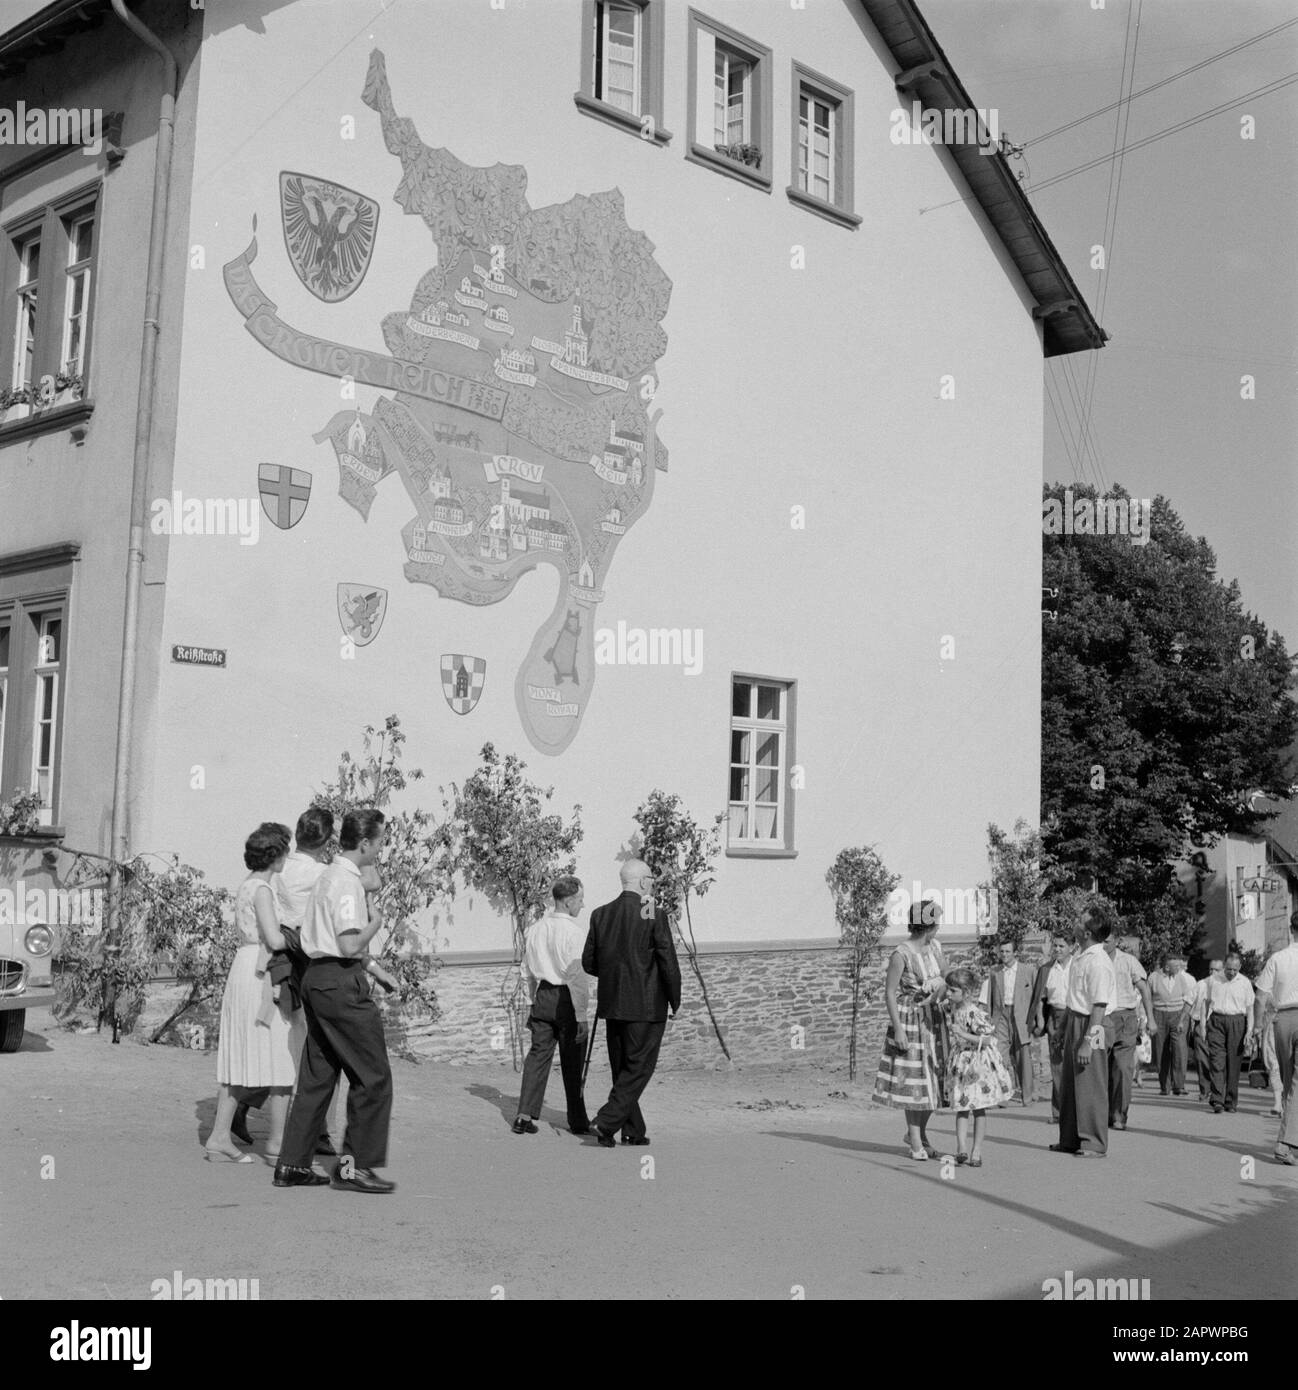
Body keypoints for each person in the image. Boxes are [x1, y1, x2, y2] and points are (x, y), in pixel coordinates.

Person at [273, 809, 397, 1193]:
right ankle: (355, 1167)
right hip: (340, 981)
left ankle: (292, 1163)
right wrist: (375, 923)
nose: (380, 849)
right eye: (379, 843)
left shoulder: (328, 874)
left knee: (318, 1074)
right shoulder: (345, 882)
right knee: (372, 1074)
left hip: (317, 978)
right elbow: (347, 942)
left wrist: (373, 968)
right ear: (365, 844)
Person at [205, 824, 299, 1163]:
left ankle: (219, 1136)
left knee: (240, 1054)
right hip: (261, 972)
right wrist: (297, 936)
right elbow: (274, 940)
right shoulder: (262, 890)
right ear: (274, 855)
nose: (288, 855)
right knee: (279, 1056)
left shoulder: (247, 885)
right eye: (285, 849)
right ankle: (275, 1143)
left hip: (244, 967)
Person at [581, 859, 681, 1148]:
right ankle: (606, 1120)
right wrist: (676, 1000)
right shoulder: (651, 912)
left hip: (613, 1002)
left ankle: (632, 1130)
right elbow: (667, 962)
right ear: (641, 882)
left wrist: (615, 974)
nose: (652, 884)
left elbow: (589, 962)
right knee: (638, 1068)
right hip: (646, 1005)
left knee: (623, 1066)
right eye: (650, 879)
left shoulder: (601, 914)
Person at [513, 875, 593, 1136]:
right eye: (580, 900)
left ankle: (523, 1116)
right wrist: (581, 1015)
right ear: (569, 902)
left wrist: (530, 1002)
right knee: (573, 1060)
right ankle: (578, 1120)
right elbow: (577, 978)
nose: (582, 905)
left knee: (537, 1056)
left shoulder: (535, 929)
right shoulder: (575, 933)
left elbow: (526, 971)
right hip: (566, 999)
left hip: (543, 996)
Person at [872, 899, 949, 1160]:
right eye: (936, 923)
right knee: (914, 1081)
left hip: (933, 1019)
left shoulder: (936, 948)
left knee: (934, 1082)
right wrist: (898, 1030)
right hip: (910, 1019)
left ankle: (920, 1133)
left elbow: (946, 978)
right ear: (928, 926)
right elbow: (890, 994)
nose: (938, 927)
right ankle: (915, 1140)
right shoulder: (901, 954)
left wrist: (941, 993)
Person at [1050, 902, 1117, 1159]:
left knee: (1091, 1083)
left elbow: (1099, 1005)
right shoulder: (1081, 956)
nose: (1076, 922)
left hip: (1095, 1024)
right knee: (1070, 1084)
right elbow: (1074, 998)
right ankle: (1069, 1139)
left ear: (1087, 932)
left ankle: (1094, 1143)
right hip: (1076, 1021)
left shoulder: (1098, 962)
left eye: (1080, 920)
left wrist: (1089, 1042)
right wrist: (1062, 1030)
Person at [945, 967, 1014, 1166]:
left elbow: (987, 1038)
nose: (949, 994)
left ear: (965, 992)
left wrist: (963, 1034)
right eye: (949, 990)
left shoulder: (975, 1013)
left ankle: (976, 1150)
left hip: (976, 1063)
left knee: (979, 1108)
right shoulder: (954, 1009)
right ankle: (961, 1148)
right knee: (961, 1106)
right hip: (960, 1061)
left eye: (953, 991)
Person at [1253, 912, 1298, 1164]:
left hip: (1282, 1021)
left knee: (1290, 1081)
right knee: (1296, 1083)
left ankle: (1291, 1142)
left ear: (1291, 929)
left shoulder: (1277, 958)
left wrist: (1258, 1025)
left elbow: (1260, 996)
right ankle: (1284, 1143)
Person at [1102, 934, 1152, 1130]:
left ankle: (1119, 1115)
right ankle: (1103, 1112)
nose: (1104, 945)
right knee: (1102, 1068)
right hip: (1101, 1018)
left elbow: (1144, 989)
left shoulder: (1129, 961)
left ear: (1116, 942)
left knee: (1122, 1068)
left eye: (1107, 941)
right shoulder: (1093, 959)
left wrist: (1150, 1018)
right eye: (1101, 941)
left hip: (1125, 1017)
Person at [1203, 951, 1255, 1114]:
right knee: (1217, 1060)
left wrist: (1249, 1031)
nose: (1231, 972)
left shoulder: (1245, 983)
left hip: (1237, 1022)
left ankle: (1230, 1101)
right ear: (1224, 966)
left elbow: (1250, 1008)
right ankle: (1217, 1099)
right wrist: (1203, 1025)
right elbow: (1206, 1002)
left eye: (1235, 969)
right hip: (1217, 1020)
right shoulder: (1214, 980)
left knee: (1234, 1062)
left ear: (1239, 967)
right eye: (1228, 969)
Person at [1030, 932, 1073, 1123]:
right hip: (1056, 1016)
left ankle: (1077, 1111)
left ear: (1071, 947)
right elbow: (1040, 999)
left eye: (1061, 946)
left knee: (1075, 1064)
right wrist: (1040, 1022)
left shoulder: (1078, 967)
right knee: (1057, 1065)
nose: (1057, 949)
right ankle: (1058, 1112)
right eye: (1055, 946)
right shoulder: (1047, 969)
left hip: (1075, 1016)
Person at [988, 939, 1036, 1104]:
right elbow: (990, 998)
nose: (1005, 955)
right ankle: (1002, 1095)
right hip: (1001, 1015)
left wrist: (1036, 1019)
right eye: (1002, 951)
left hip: (1020, 1015)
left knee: (1022, 1055)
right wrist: (989, 1019)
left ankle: (1027, 1096)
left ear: (1015, 952)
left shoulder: (1028, 970)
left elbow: (1037, 998)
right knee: (999, 1054)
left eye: (1008, 951)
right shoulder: (995, 972)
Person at [1148, 952, 1196, 1096]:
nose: (1179, 968)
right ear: (1167, 967)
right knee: (1161, 1050)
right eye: (1176, 966)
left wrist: (1183, 1019)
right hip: (1159, 1014)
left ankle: (1179, 1085)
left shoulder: (1181, 978)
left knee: (1180, 1049)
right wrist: (1148, 1019)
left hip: (1178, 1015)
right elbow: (1147, 999)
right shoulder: (1153, 978)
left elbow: (1188, 998)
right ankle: (1165, 1085)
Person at [1190, 959, 1225, 1100]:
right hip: (1200, 1023)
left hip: (1218, 1024)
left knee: (1217, 1059)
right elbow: (1189, 1001)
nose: (1213, 972)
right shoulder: (1201, 984)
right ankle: (1205, 1090)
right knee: (1201, 1058)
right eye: (1211, 969)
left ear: (1222, 970)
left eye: (1216, 970)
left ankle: (1218, 1090)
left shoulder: (1225, 985)